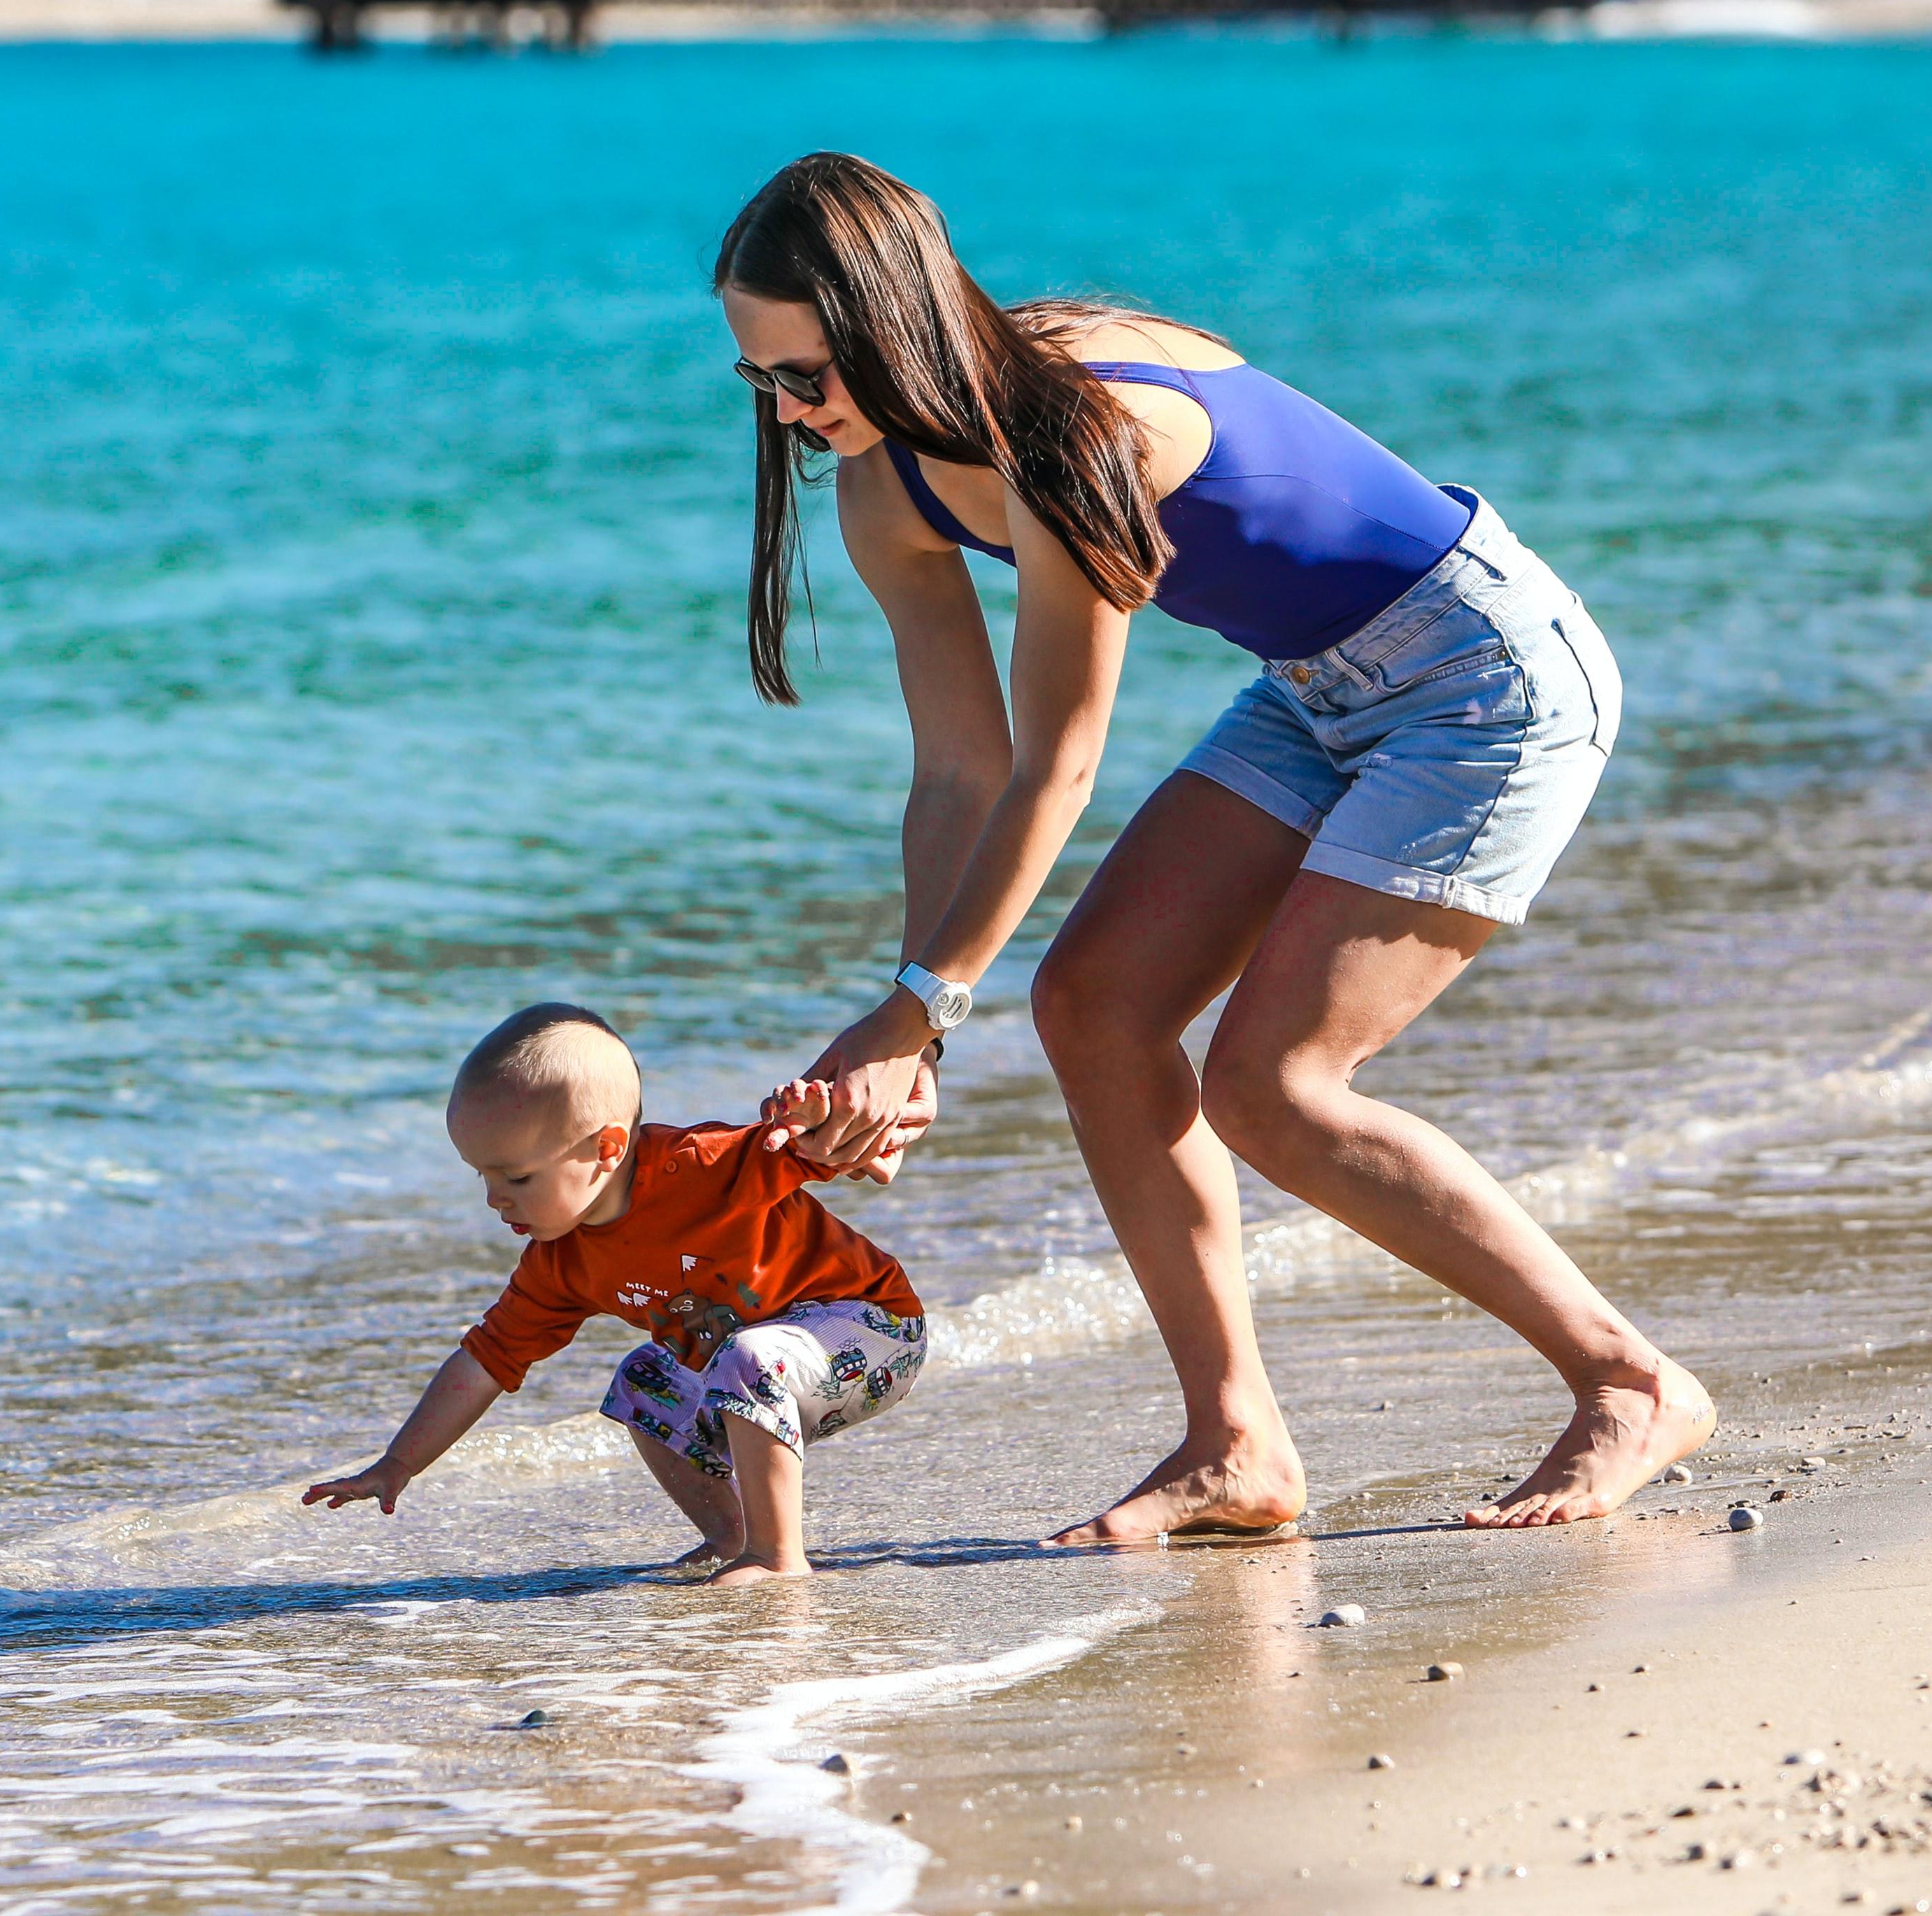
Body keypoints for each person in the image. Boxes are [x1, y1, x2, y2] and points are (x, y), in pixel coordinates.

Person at [716, 152, 1712, 1540]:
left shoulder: (1073, 430)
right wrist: (914, 1034)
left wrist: (917, 1007)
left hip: (1485, 674)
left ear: (899, 322)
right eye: (759, 380)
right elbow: (959, 768)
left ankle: (1628, 1379)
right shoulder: (885, 489)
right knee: (1091, 1006)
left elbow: (1059, 762)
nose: (790, 410)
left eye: (809, 372)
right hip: (1311, 684)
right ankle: (1237, 1444)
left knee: (1276, 1084)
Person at [303, 1002, 932, 1585]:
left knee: (749, 1358)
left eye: (517, 1177)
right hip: (760, 1365)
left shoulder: (707, 1167)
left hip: (873, 1330)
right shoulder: (560, 1262)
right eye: (483, 1176)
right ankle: (728, 1535)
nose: (495, 1198)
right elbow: (485, 1362)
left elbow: (829, 1153)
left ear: (605, 1149)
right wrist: (397, 1464)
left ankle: (775, 1556)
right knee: (642, 1382)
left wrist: (815, 1117)